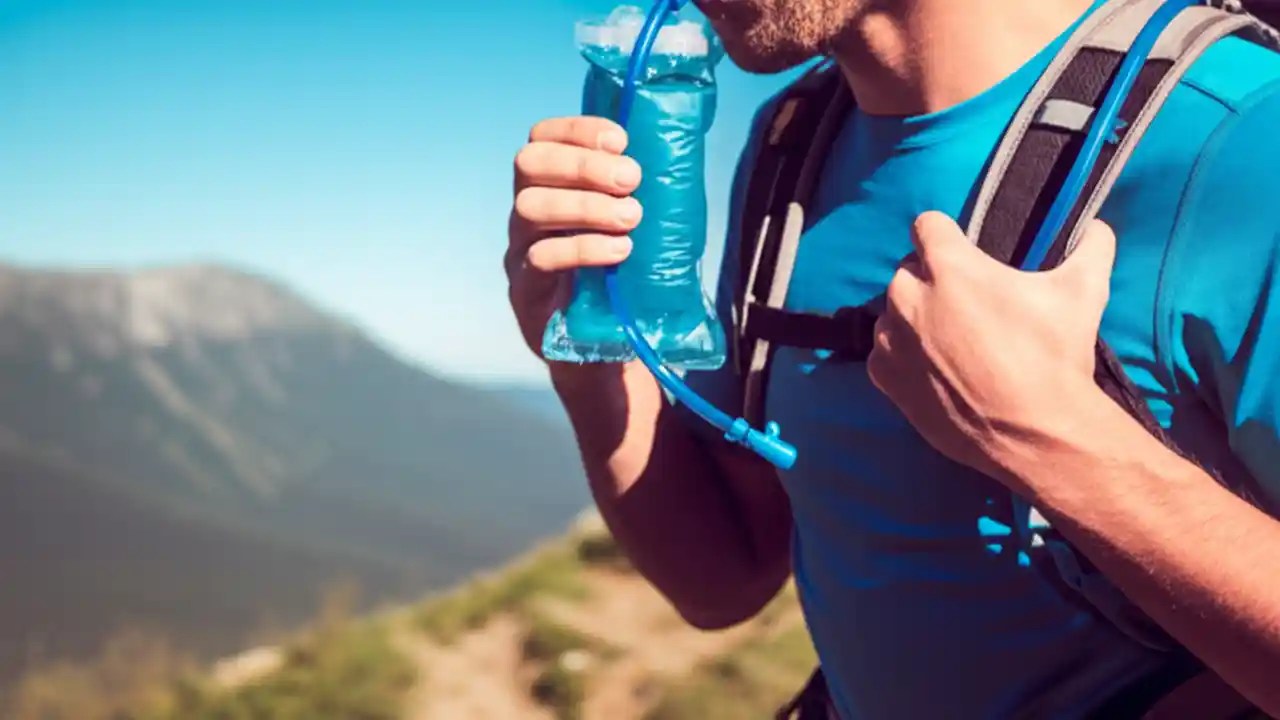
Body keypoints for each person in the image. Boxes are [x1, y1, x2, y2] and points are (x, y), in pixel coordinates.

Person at [504, 0, 1280, 716]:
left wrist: (1055, 442)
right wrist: (590, 361)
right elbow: (723, 579)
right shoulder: (793, 145)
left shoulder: (1245, 138)